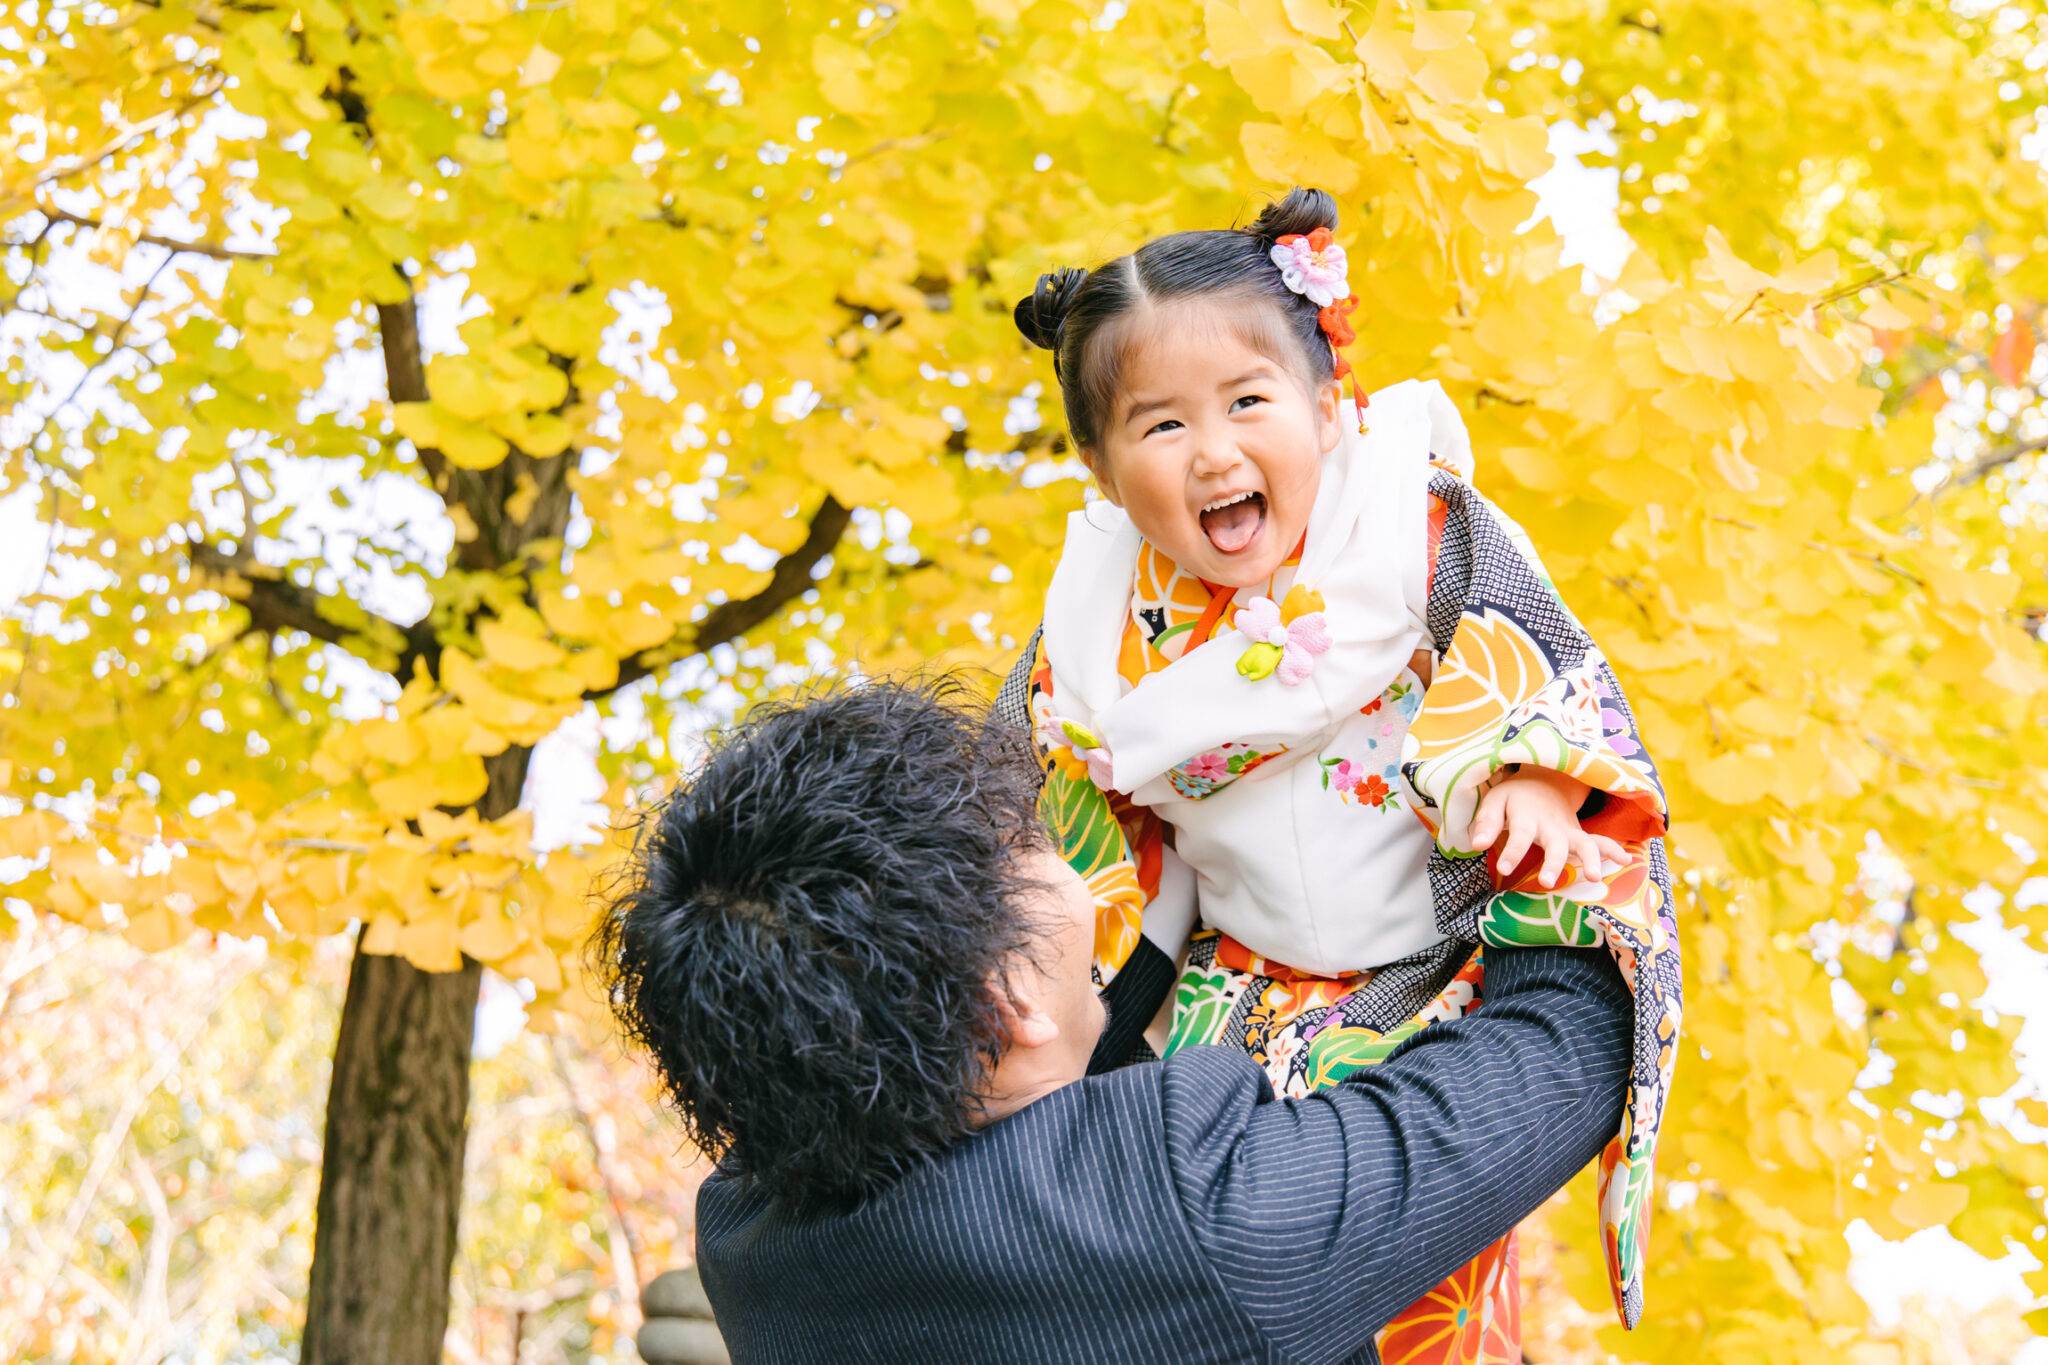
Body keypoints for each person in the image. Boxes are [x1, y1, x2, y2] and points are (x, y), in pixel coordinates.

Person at [1005, 186, 1682, 1352]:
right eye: (1160, 426)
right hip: (1237, 974)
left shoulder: (1411, 523)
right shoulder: (1092, 620)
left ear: (1325, 407)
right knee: (1187, 1235)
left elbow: (1528, 648)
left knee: (1427, 1274)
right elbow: (1062, 798)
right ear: (1101, 468)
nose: (1213, 451)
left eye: (1247, 402)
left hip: (1429, 965)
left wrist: (1526, 777)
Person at [594, 678, 1634, 1365]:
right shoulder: (1200, 1214)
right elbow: (1569, 1043)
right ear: (1004, 1003)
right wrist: (1548, 753)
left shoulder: (747, 1234)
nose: (1068, 859)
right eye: (1032, 850)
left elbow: (1047, 1094)